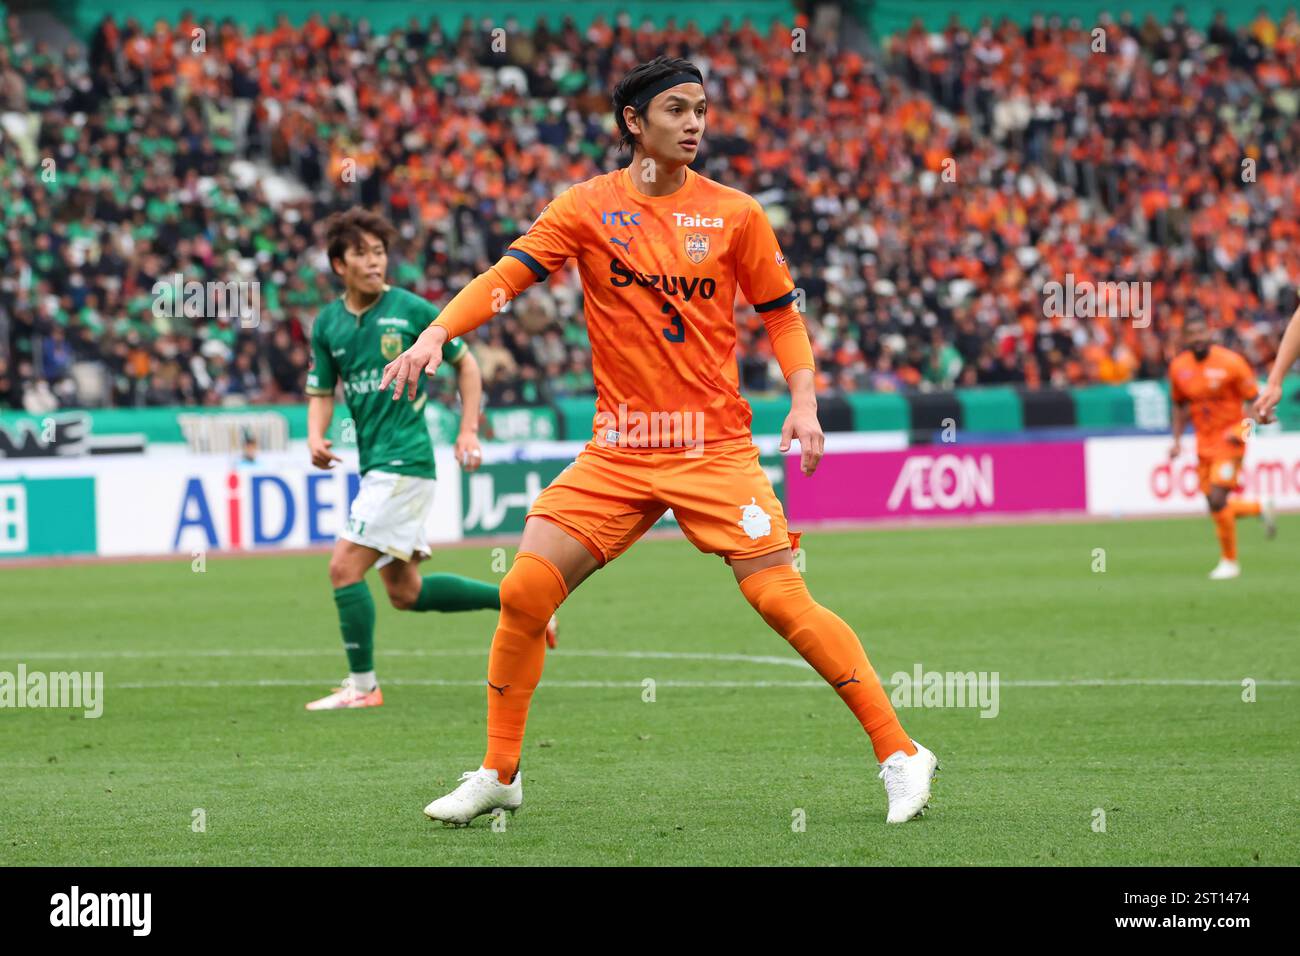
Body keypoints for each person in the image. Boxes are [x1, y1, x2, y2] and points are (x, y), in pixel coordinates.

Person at [381, 57, 938, 824]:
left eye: (702, 109)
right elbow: (505, 276)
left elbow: (780, 312)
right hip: (619, 448)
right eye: (676, 109)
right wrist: (435, 334)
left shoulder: (737, 213)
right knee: (525, 590)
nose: (695, 122)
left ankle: (900, 752)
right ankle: (501, 772)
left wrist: (804, 403)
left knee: (780, 597)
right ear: (634, 123)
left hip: (712, 446)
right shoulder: (583, 208)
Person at [304, 208, 554, 711]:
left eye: (379, 253)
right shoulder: (328, 324)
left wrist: (466, 431)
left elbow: (468, 367)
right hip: (377, 466)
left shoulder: (412, 309)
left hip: (406, 461)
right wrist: (315, 435)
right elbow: (321, 389)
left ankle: (363, 686)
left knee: (343, 568)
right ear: (339, 265)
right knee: (405, 592)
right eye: (362, 254)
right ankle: (522, 603)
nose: (375, 263)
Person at [1168, 318, 1275, 580]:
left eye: (1201, 331)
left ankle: (1230, 562)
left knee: (1217, 499)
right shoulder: (1179, 367)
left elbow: (1253, 400)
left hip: (1231, 440)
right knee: (1214, 504)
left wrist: (1245, 433)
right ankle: (1257, 507)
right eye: (1191, 333)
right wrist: (1177, 440)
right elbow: (1180, 407)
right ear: (1185, 338)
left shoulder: (1231, 362)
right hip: (1203, 443)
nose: (1197, 338)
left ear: (1209, 333)